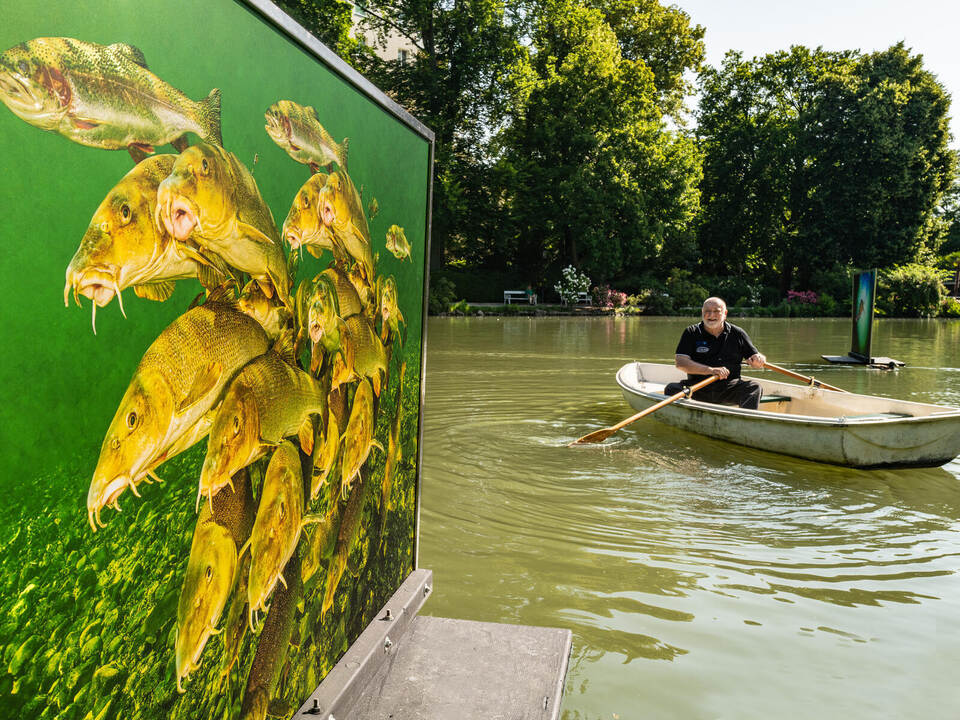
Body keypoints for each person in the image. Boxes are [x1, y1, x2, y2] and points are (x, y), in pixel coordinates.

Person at [663, 297, 766, 410]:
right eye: (707, 311)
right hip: (697, 387)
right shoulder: (691, 332)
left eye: (716, 311)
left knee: (754, 387)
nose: (711, 315)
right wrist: (710, 370)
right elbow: (680, 362)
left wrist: (759, 360)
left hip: (729, 388)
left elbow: (754, 357)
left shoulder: (738, 333)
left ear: (725, 313)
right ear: (702, 312)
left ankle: (746, 421)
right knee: (671, 388)